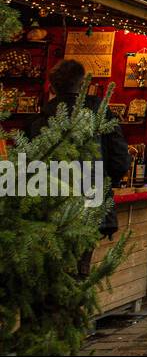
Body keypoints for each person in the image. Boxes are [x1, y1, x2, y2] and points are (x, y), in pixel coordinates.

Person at [28, 59, 130, 240]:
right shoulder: (99, 114)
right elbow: (120, 160)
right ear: (83, 84)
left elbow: (29, 165)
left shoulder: (40, 120)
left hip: (50, 206)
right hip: (92, 201)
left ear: (52, 87)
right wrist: (104, 182)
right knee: (82, 262)